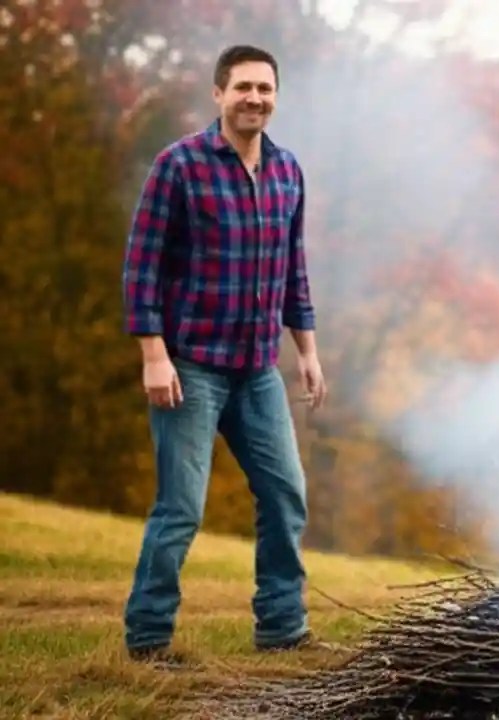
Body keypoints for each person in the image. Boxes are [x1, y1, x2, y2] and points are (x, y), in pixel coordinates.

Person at [120, 44, 328, 662]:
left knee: (287, 496)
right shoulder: (179, 165)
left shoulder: (288, 170)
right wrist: (153, 355)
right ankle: (149, 640)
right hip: (191, 366)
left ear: (275, 97)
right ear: (219, 94)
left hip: (258, 369)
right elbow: (141, 266)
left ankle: (283, 631)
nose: (254, 99)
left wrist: (308, 353)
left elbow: (294, 272)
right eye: (243, 88)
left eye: (265, 89)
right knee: (181, 508)